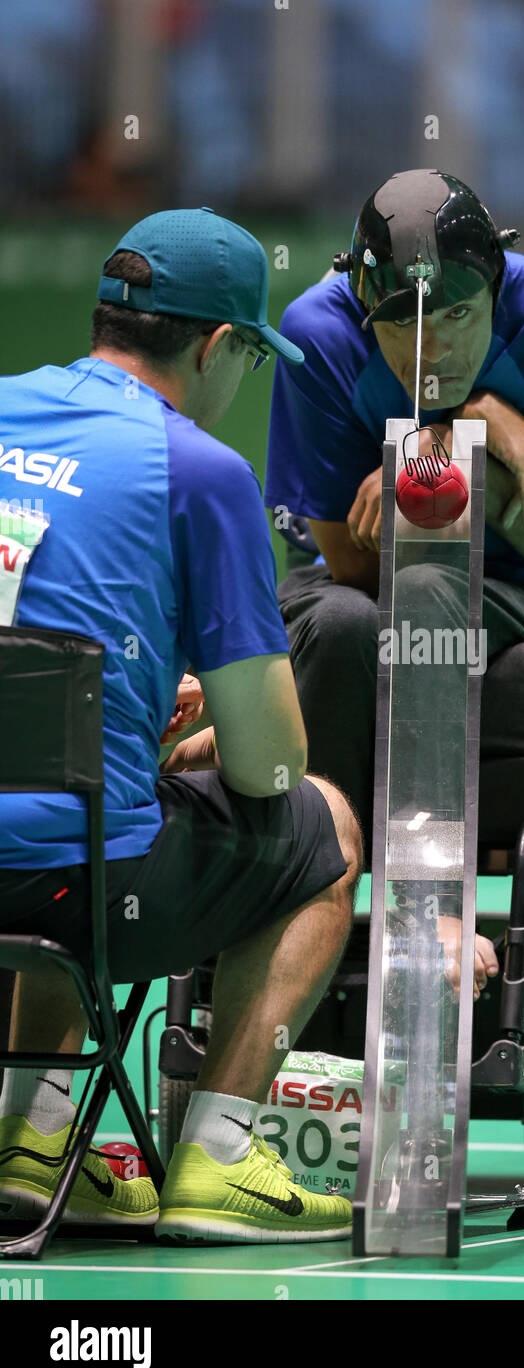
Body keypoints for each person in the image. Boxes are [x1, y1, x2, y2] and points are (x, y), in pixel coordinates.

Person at [0, 208, 362, 1244]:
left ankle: (29, 1132)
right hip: (77, 885)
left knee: (81, 798)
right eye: (249, 353)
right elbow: (266, 768)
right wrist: (214, 736)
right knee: (325, 831)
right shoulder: (201, 472)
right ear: (215, 347)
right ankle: (215, 1156)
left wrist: (135, 712)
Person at [266, 168, 524, 984]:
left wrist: (446, 445)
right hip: (356, 581)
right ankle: (307, 892)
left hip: (517, 588)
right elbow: (345, 558)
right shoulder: (316, 331)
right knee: (349, 624)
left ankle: (428, 912)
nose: (434, 351)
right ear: (362, 308)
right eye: (403, 330)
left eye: (459, 317)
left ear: (497, 283)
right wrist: (456, 457)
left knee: (424, 590)